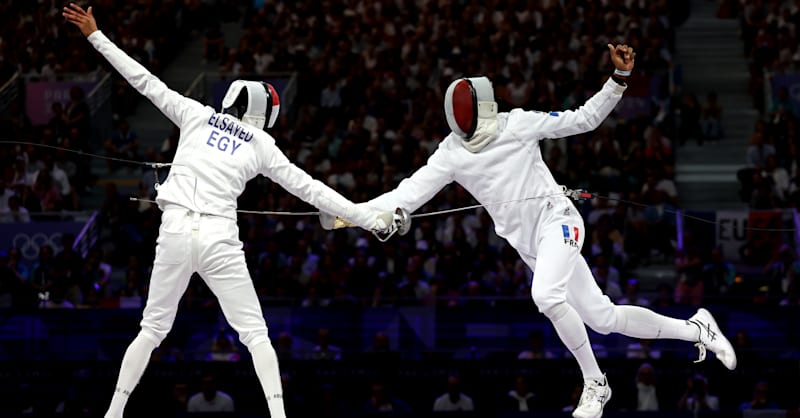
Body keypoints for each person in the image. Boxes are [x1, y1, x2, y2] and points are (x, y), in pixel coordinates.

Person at [350, 43, 737, 418]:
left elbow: (583, 118)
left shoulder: (517, 124)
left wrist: (619, 77)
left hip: (560, 222)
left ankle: (595, 382)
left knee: (546, 297)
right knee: (603, 319)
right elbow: (409, 192)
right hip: (532, 247)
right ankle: (696, 329)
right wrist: (358, 212)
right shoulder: (451, 153)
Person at [63, 5, 401, 418]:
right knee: (255, 333)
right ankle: (278, 416)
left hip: (173, 231)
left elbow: (143, 81)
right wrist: (369, 219)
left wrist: (95, 35)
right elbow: (311, 189)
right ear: (261, 115)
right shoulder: (261, 145)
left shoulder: (196, 115)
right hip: (218, 239)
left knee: (151, 330)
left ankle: (113, 414)